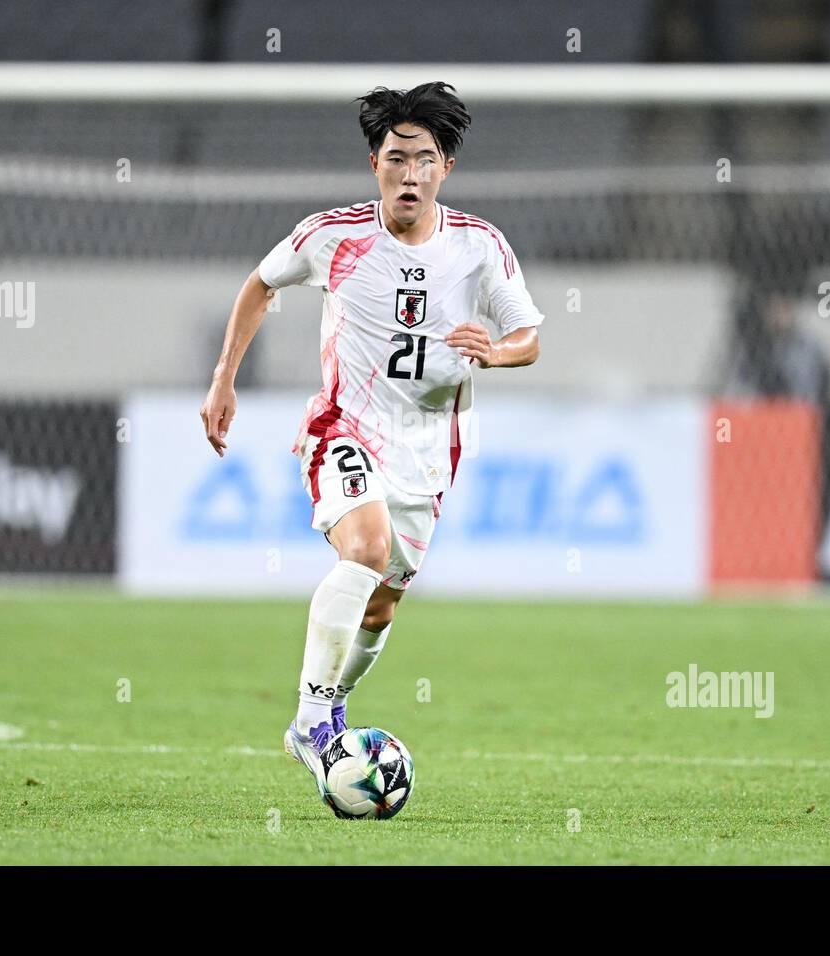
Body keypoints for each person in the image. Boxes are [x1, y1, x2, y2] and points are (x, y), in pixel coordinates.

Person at [198, 82, 544, 797]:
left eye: (423, 160)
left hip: (428, 449)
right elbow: (260, 285)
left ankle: (318, 717)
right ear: (374, 163)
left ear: (445, 167)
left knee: (382, 602)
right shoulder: (334, 235)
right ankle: (316, 722)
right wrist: (223, 377)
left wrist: (496, 352)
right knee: (364, 547)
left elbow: (529, 336)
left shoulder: (480, 248)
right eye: (395, 159)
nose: (408, 174)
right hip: (342, 428)